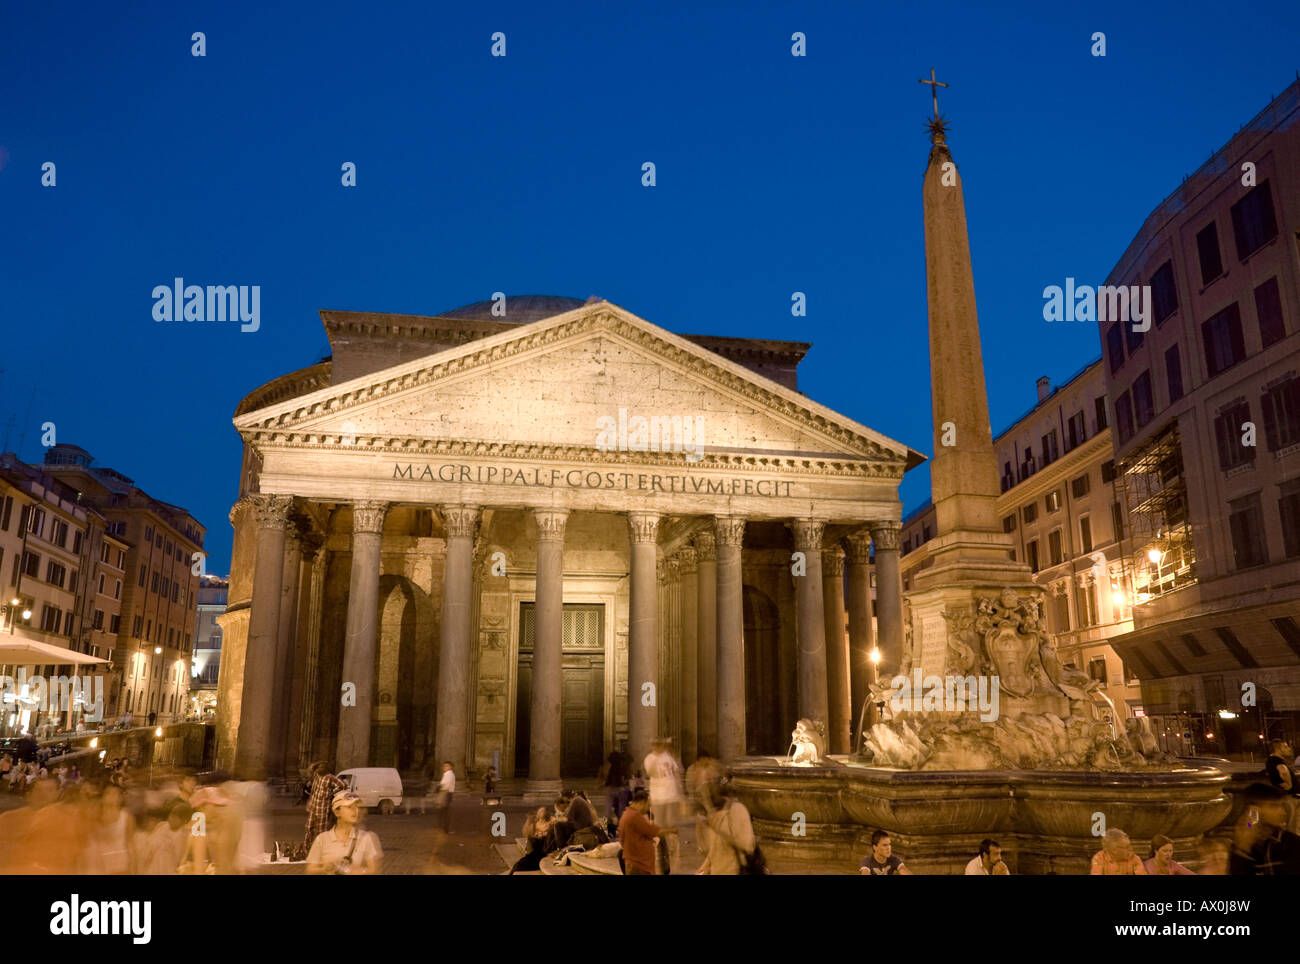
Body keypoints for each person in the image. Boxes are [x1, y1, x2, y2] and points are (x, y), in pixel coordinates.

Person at [1230, 783, 1300, 875]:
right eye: (1273, 806)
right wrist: (1243, 848)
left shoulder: (1292, 844)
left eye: (1281, 806)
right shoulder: (1237, 846)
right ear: (1253, 811)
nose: (1282, 812)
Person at [306, 791, 382, 875]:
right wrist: (325, 869)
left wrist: (354, 871)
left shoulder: (367, 838)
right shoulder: (322, 839)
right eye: (349, 807)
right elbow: (310, 870)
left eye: (357, 807)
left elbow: (375, 870)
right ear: (337, 812)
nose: (356, 811)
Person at [696, 779, 757, 875]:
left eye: (707, 799)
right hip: (718, 870)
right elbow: (714, 849)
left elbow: (746, 844)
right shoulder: (714, 817)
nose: (706, 803)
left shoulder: (737, 810)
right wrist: (704, 867)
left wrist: (715, 826)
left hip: (735, 869)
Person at [644, 737, 684, 868]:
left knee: (672, 827)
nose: (660, 747)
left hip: (671, 796)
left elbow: (675, 772)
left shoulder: (668, 756)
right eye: (657, 745)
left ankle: (674, 856)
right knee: (659, 828)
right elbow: (651, 772)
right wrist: (656, 757)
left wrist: (681, 794)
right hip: (658, 798)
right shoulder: (649, 758)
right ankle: (661, 856)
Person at [618, 788, 676, 875]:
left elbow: (621, 840)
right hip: (639, 865)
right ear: (642, 803)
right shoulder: (635, 816)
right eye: (648, 805)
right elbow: (653, 831)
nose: (647, 809)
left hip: (632, 862)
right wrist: (672, 830)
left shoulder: (626, 814)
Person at [303, 761, 345, 851]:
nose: (319, 769)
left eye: (321, 768)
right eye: (318, 768)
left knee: (321, 830)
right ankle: (306, 847)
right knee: (309, 827)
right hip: (314, 806)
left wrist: (331, 793)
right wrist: (316, 764)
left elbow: (342, 785)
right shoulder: (317, 776)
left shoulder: (330, 778)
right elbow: (310, 769)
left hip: (323, 807)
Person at [509, 806, 553, 874]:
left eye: (543, 811)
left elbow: (547, 837)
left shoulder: (549, 823)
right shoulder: (535, 824)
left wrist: (541, 834)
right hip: (533, 854)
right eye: (540, 811)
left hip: (540, 853)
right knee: (516, 866)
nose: (541, 813)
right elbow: (526, 833)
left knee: (518, 866)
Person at [605, 742, 632, 818]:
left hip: (611, 787)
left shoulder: (611, 768)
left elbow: (607, 778)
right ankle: (620, 819)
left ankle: (609, 819)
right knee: (621, 805)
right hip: (620, 787)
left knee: (609, 804)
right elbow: (625, 777)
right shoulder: (622, 767)